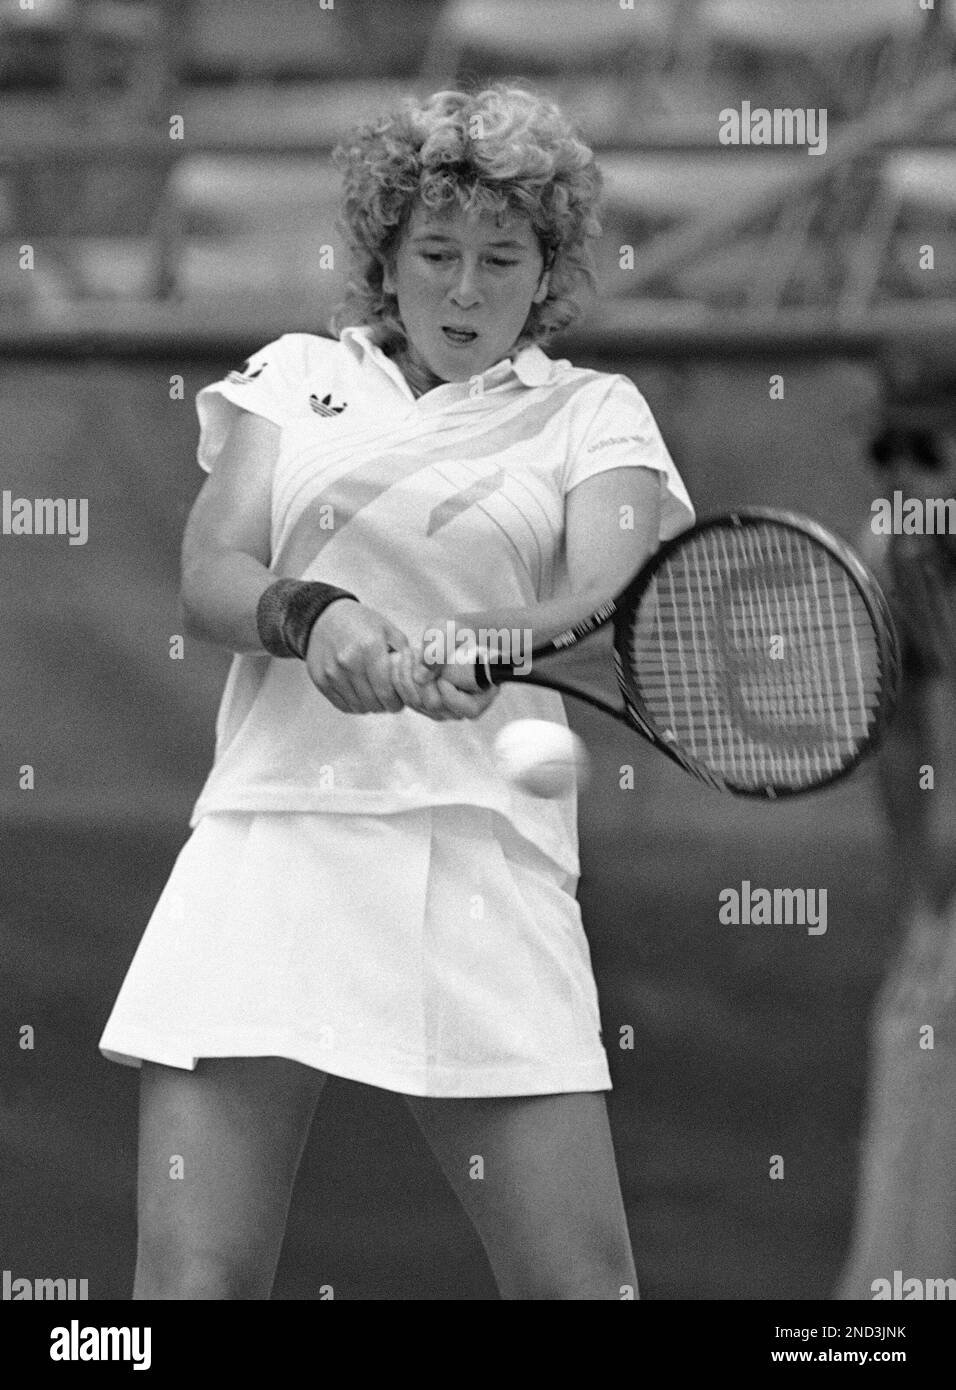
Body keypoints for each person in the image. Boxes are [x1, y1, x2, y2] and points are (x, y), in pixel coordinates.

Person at [98, 84, 694, 1301]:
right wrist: (316, 618)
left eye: (499, 257)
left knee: (583, 1291)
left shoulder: (595, 413)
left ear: (545, 271)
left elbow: (606, 592)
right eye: (435, 254)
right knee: (188, 1291)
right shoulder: (293, 376)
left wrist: (472, 639)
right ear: (385, 257)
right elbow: (212, 573)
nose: (465, 290)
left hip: (484, 855)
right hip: (274, 840)